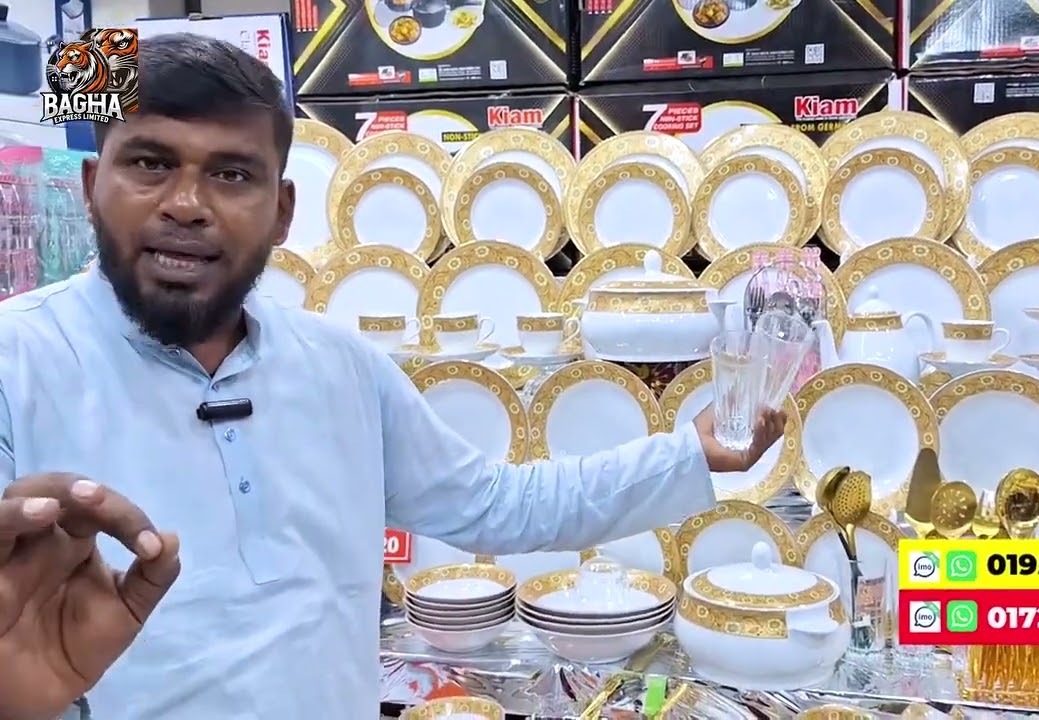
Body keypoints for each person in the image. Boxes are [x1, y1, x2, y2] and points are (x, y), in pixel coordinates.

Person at [0, 33, 787, 720]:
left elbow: (497, 504)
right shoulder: (18, 364)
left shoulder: (340, 367)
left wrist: (690, 454)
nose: (186, 204)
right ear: (91, 188)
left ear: (282, 212)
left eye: (232, 175)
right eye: (150, 163)